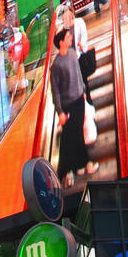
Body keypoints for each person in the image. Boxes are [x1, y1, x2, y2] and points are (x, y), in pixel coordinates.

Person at [50, 27, 99, 190]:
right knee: (69, 137)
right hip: (68, 106)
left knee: (76, 134)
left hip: (78, 100)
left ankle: (79, 166)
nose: (71, 38)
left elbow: (78, 74)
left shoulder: (71, 54)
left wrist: (83, 91)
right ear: (61, 42)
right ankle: (69, 170)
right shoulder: (56, 65)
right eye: (68, 37)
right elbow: (55, 91)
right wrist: (60, 112)